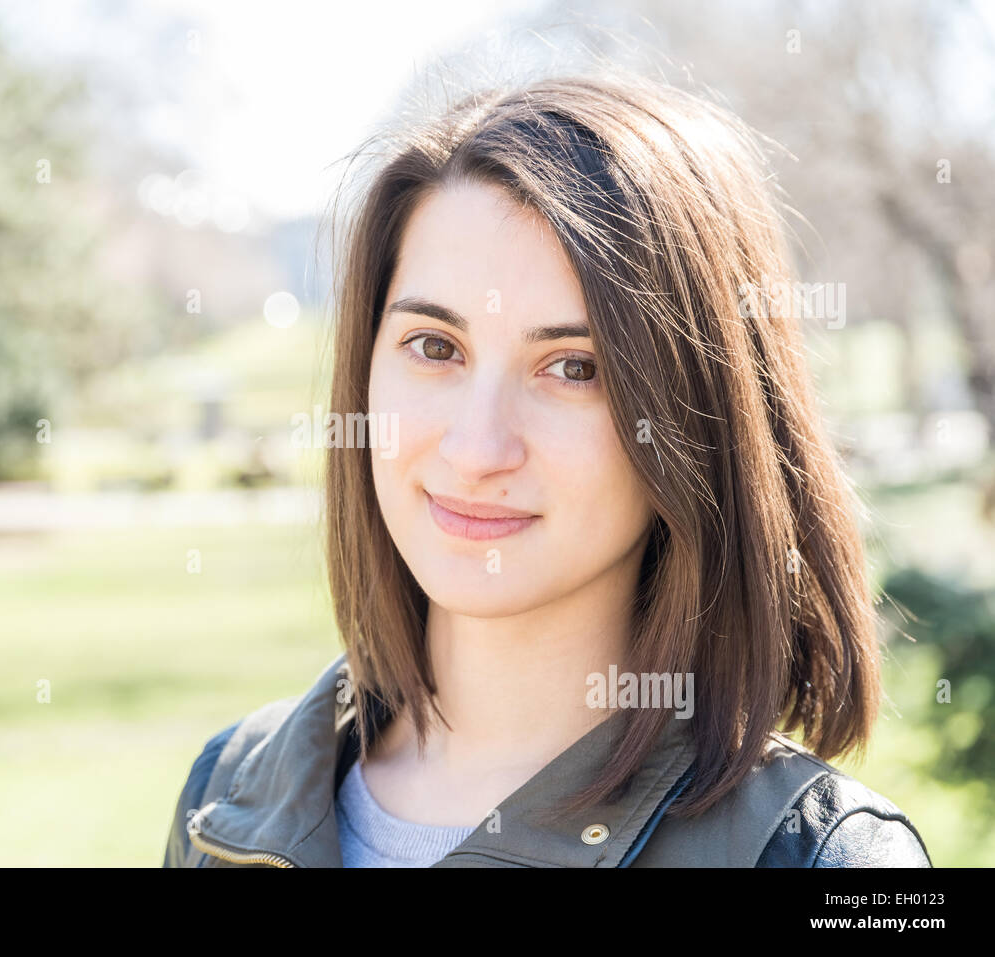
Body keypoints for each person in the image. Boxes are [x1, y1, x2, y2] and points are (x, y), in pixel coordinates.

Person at [163, 72, 932, 867]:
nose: (475, 447)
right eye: (435, 347)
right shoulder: (227, 796)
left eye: (573, 368)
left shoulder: (819, 858)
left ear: (699, 418)